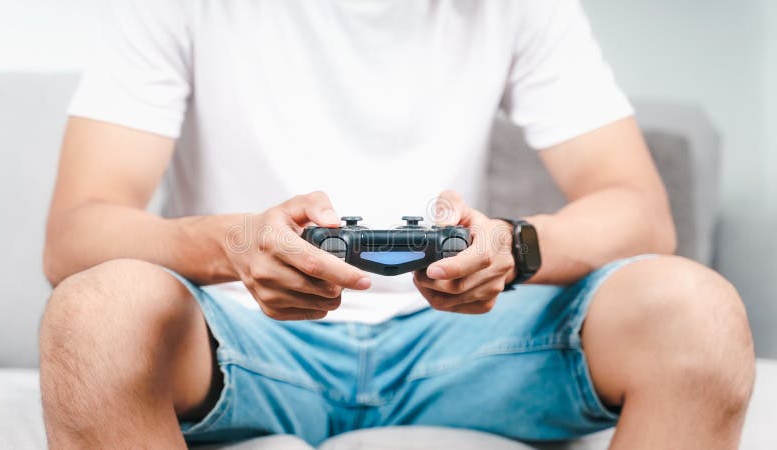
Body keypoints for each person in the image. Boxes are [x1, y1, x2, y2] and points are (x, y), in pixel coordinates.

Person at [38, 1, 755, 449]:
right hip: (247, 336)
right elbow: (76, 233)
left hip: (462, 340)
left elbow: (641, 211)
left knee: (698, 314)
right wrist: (233, 245)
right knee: (94, 317)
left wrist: (512, 247)